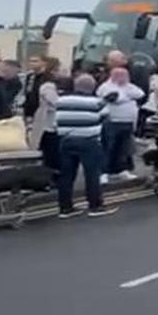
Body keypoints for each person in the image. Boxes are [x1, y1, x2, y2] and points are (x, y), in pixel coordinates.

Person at [54, 74, 118, 218]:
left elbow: (56, 121)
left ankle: (65, 208)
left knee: (66, 176)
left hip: (66, 139)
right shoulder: (97, 102)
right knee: (92, 174)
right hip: (89, 141)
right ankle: (95, 206)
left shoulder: (61, 101)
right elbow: (105, 121)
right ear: (92, 87)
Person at [96, 66, 145, 184]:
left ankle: (121, 170)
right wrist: (128, 97)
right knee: (108, 147)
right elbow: (115, 98)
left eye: (125, 76)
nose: (124, 78)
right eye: (121, 76)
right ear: (114, 76)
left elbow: (140, 94)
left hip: (127, 121)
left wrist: (126, 94)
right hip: (112, 121)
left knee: (123, 148)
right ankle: (103, 172)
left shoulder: (129, 86)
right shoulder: (106, 87)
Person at [29, 58, 65, 170]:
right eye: (59, 70)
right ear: (53, 71)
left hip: (49, 124)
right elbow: (55, 102)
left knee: (50, 152)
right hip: (49, 124)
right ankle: (50, 175)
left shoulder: (47, 84)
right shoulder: (48, 86)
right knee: (51, 152)